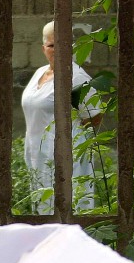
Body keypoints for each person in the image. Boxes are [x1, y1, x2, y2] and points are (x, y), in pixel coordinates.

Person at [21, 20, 104, 214]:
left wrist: (72, 138)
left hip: (67, 158)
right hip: (37, 156)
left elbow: (94, 116)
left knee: (70, 209)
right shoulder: (40, 73)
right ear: (44, 48)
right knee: (44, 209)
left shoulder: (77, 77)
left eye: (62, 45)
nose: (56, 50)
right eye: (51, 45)